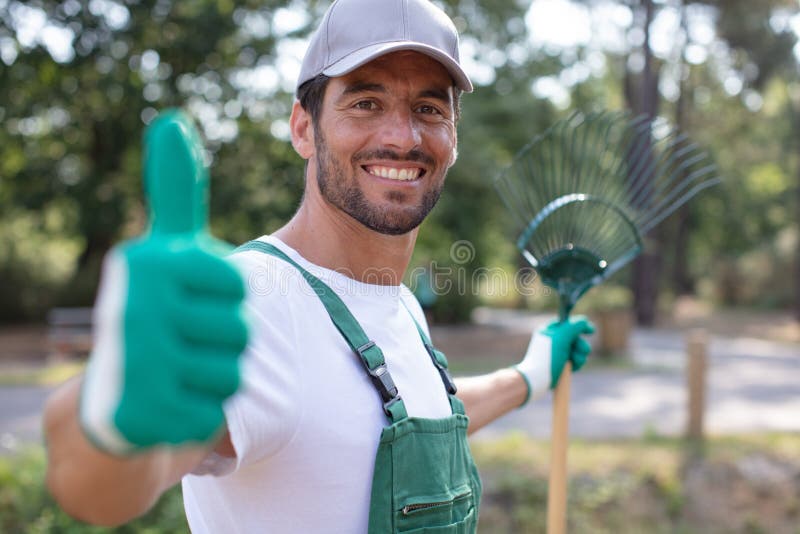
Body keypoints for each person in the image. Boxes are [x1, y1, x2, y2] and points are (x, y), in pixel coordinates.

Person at [43, 0, 594, 532]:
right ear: (304, 129)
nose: (403, 136)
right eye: (365, 103)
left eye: (429, 108)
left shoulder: (398, 304)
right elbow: (101, 487)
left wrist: (528, 376)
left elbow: (375, 422)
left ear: (453, 138)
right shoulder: (255, 302)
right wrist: (108, 422)